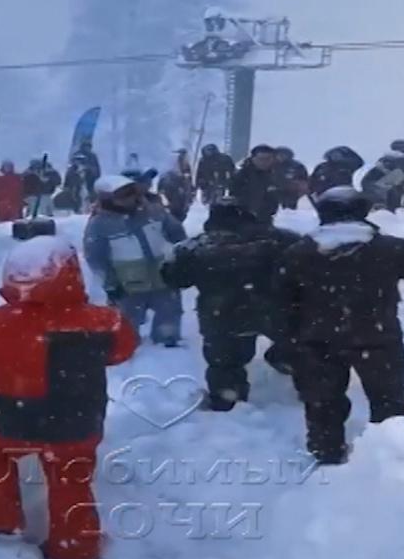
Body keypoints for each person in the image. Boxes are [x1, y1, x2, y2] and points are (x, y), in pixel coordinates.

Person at [0, 237, 138, 559]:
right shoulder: (106, 321)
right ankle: (76, 546)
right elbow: (121, 351)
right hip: (77, 423)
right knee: (71, 477)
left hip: (7, 421)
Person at [279, 186, 404, 464]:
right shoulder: (391, 248)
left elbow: (285, 302)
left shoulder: (298, 252)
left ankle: (326, 457)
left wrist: (291, 339)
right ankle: (390, 460)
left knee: (323, 405)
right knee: (389, 403)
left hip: (318, 341)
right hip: (377, 339)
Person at [161, 200, 302, 410]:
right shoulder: (280, 238)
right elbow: (306, 263)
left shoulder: (194, 247)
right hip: (274, 310)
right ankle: (301, 378)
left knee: (225, 362)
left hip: (222, 316)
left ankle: (227, 399)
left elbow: (173, 278)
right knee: (297, 343)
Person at [83, 174, 187, 347]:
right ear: (108, 199)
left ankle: (168, 345)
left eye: (132, 193)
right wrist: (110, 284)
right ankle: (127, 349)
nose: (130, 199)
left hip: (162, 278)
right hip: (128, 285)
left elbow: (177, 234)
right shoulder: (99, 225)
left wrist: (180, 259)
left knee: (169, 320)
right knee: (126, 332)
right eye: (123, 195)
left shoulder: (154, 211)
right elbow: (95, 258)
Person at [230, 144, 288, 222]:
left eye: (268, 159)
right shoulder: (242, 174)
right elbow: (234, 193)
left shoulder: (277, 174)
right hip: (243, 216)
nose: (264, 162)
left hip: (266, 216)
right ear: (253, 159)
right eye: (261, 159)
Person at [157, 155, 196, 222]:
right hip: (173, 205)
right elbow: (161, 192)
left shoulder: (184, 173)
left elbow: (189, 186)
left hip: (181, 205)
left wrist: (190, 197)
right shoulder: (167, 177)